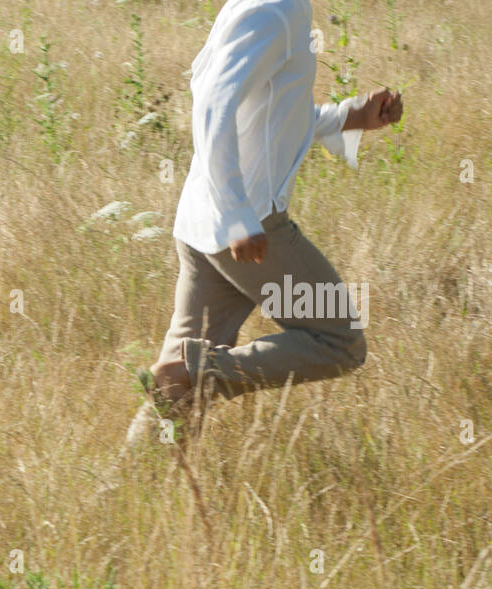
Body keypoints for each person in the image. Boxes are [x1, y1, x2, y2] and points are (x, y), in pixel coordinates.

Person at [129, 0, 404, 445]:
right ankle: (199, 373)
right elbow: (213, 104)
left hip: (209, 223)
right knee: (340, 341)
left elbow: (270, 115)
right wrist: (237, 214)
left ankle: (131, 483)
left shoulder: (270, 6)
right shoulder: (276, 10)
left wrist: (350, 116)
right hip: (248, 228)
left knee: (173, 393)